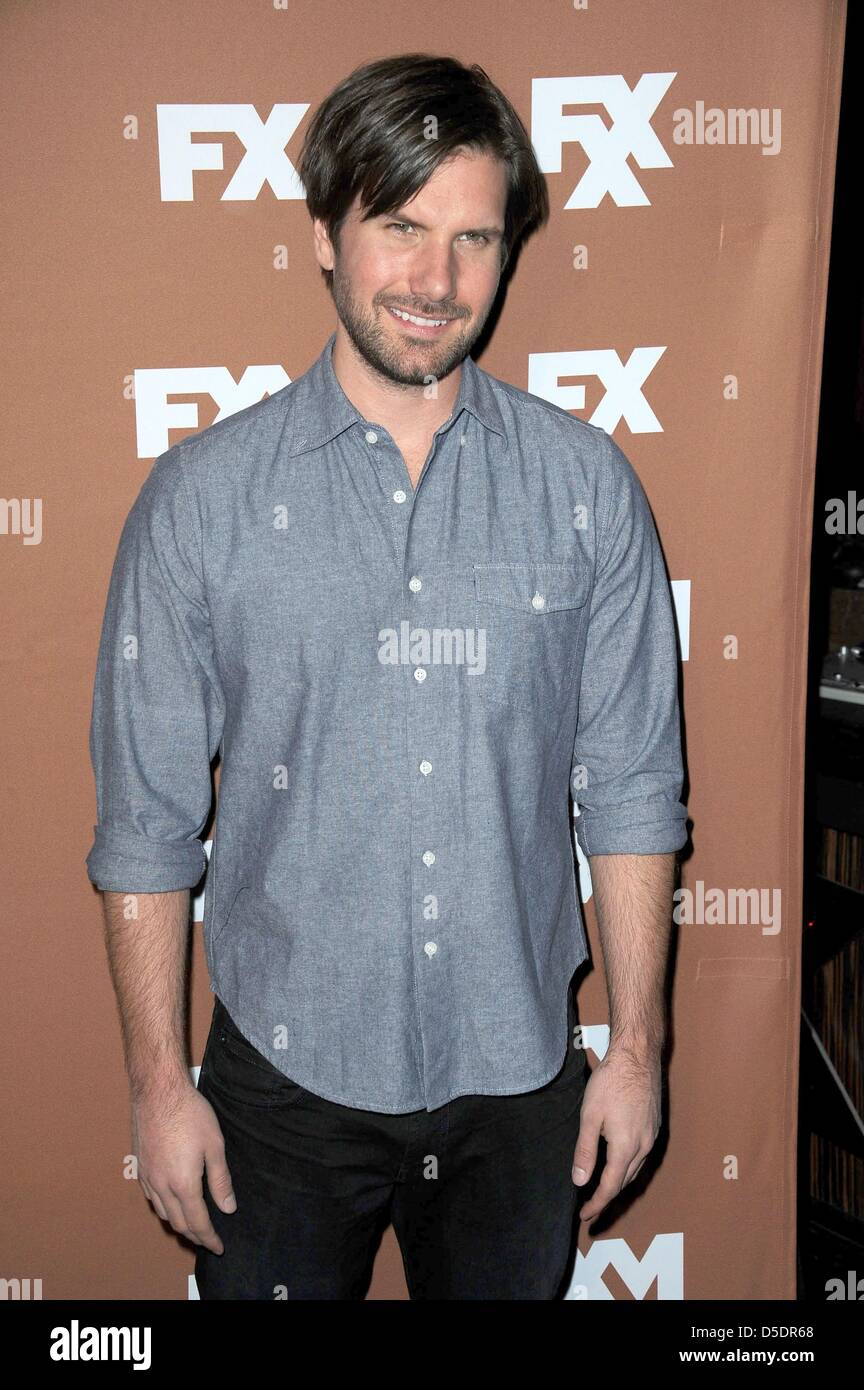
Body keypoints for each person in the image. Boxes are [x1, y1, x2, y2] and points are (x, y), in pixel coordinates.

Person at [85, 52, 688, 1300]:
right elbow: (146, 825)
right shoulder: (203, 503)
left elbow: (632, 789)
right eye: (400, 228)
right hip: (283, 1087)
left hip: (518, 1086)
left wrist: (636, 1050)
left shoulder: (586, 493)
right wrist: (157, 1085)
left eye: (474, 237)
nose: (436, 280)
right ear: (324, 231)